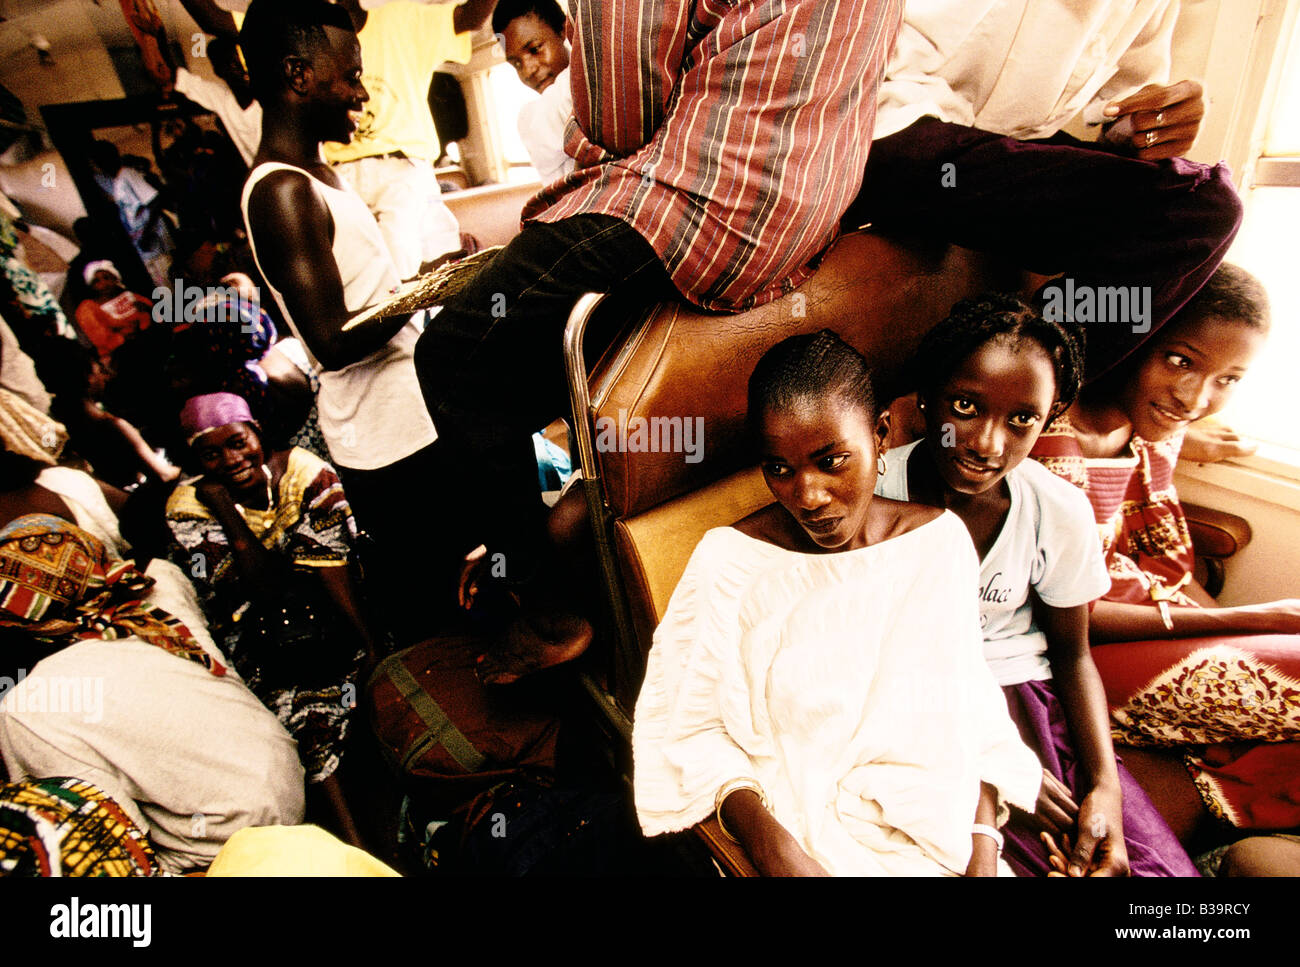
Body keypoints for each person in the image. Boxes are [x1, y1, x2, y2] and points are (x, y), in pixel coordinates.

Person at [416, 0, 904, 680]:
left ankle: (548, 611)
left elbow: (623, 111)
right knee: (547, 365)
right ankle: (556, 534)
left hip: (706, 197)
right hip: (817, 198)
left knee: (449, 358)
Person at [633, 330, 1041, 876]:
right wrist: (776, 850)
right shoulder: (730, 565)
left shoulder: (938, 545)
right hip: (802, 835)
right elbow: (691, 730)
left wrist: (983, 851)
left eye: (832, 461)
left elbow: (967, 710)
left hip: (936, 834)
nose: (808, 496)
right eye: (779, 468)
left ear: (879, 435)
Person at [876, 294, 1197, 876]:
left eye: (1021, 419)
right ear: (927, 396)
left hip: (1030, 704)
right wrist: (986, 764)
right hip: (911, 714)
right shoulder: (870, 494)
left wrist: (1105, 789)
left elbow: (1074, 656)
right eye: (966, 406)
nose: (987, 443)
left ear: (1048, 420)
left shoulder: (1057, 509)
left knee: (1132, 869)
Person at [1030, 263, 1300, 836]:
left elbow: (1167, 572)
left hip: (1149, 624)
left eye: (1228, 379)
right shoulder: (1052, 436)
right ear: (1135, 337)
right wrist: (1253, 619)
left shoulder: (1154, 431)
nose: (1195, 397)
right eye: (1181, 360)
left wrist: (1231, 627)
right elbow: (1067, 616)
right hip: (1075, 657)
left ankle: (1231, 817)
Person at [846, 0, 1244, 383]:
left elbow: (1115, 113)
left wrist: (1151, 125)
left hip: (999, 150)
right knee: (1198, 205)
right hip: (890, 128)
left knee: (1202, 210)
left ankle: (1036, 381)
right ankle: (1019, 388)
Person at [238, 0, 458, 641]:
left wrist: (426, 276)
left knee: (464, 574)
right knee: (434, 599)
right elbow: (329, 341)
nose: (362, 93)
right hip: (382, 438)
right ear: (298, 75)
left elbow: (364, 292)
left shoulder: (320, 173)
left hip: (408, 414)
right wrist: (425, 291)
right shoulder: (281, 190)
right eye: (351, 74)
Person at [0, 452, 304, 873]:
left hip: (229, 838)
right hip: (284, 778)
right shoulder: (159, 591)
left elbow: (112, 836)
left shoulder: (28, 708)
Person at [164, 392, 376, 846]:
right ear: (195, 460)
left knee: (378, 685)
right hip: (259, 632)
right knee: (303, 729)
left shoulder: (305, 472)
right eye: (211, 454)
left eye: (238, 442)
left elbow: (333, 568)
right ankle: (357, 849)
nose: (231, 459)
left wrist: (371, 645)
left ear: (256, 431)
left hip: (336, 611)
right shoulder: (186, 506)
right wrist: (224, 509)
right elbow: (258, 592)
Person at [326, 0, 493, 280]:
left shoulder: (401, 14)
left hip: (405, 168)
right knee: (383, 288)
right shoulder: (310, 29)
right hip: (339, 176)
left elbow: (470, 18)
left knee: (442, 277)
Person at [493, 0, 574, 184]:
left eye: (535, 49)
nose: (528, 71)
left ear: (564, 31)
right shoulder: (531, 120)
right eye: (516, 64)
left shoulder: (595, 77)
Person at [73, 261, 152, 363]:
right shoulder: (89, 308)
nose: (104, 284)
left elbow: (152, 313)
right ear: (92, 286)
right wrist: (124, 335)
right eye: (97, 281)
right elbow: (102, 340)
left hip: (146, 343)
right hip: (120, 355)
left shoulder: (128, 295)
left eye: (106, 277)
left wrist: (147, 310)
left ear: (115, 278)